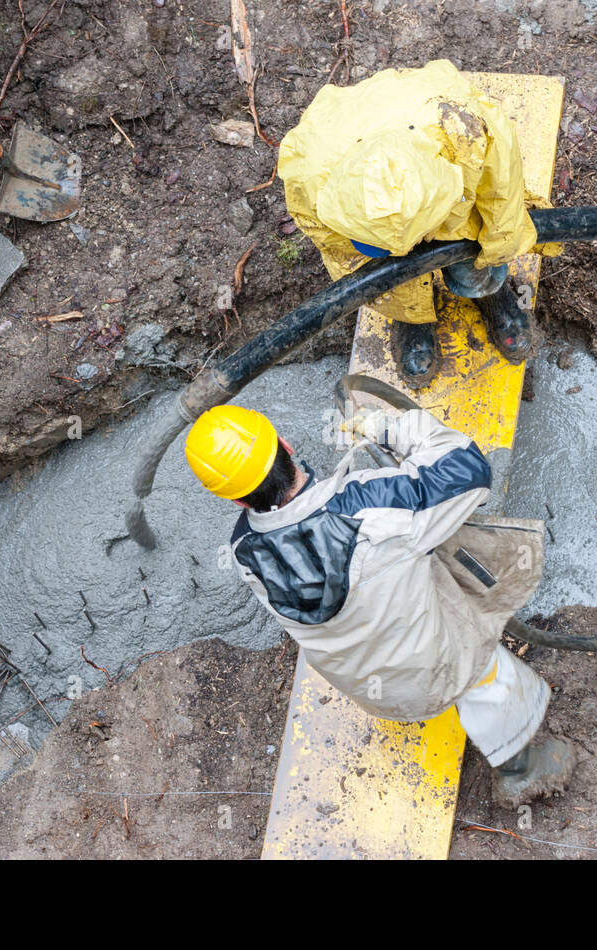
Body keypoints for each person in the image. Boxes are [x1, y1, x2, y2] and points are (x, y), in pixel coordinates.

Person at [184, 402, 575, 807]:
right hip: (435, 672)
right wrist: (389, 429)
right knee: (481, 661)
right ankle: (522, 769)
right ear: (285, 443)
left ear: (234, 501)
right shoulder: (367, 504)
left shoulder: (243, 551)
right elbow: (469, 470)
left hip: (373, 693)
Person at [278, 59, 539, 387]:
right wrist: (364, 267)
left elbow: (501, 196)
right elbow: (329, 242)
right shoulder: (308, 171)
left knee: (472, 248)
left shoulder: (469, 129)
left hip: (451, 177)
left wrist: (497, 247)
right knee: (390, 274)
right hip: (359, 183)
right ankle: (412, 318)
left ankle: (488, 291)